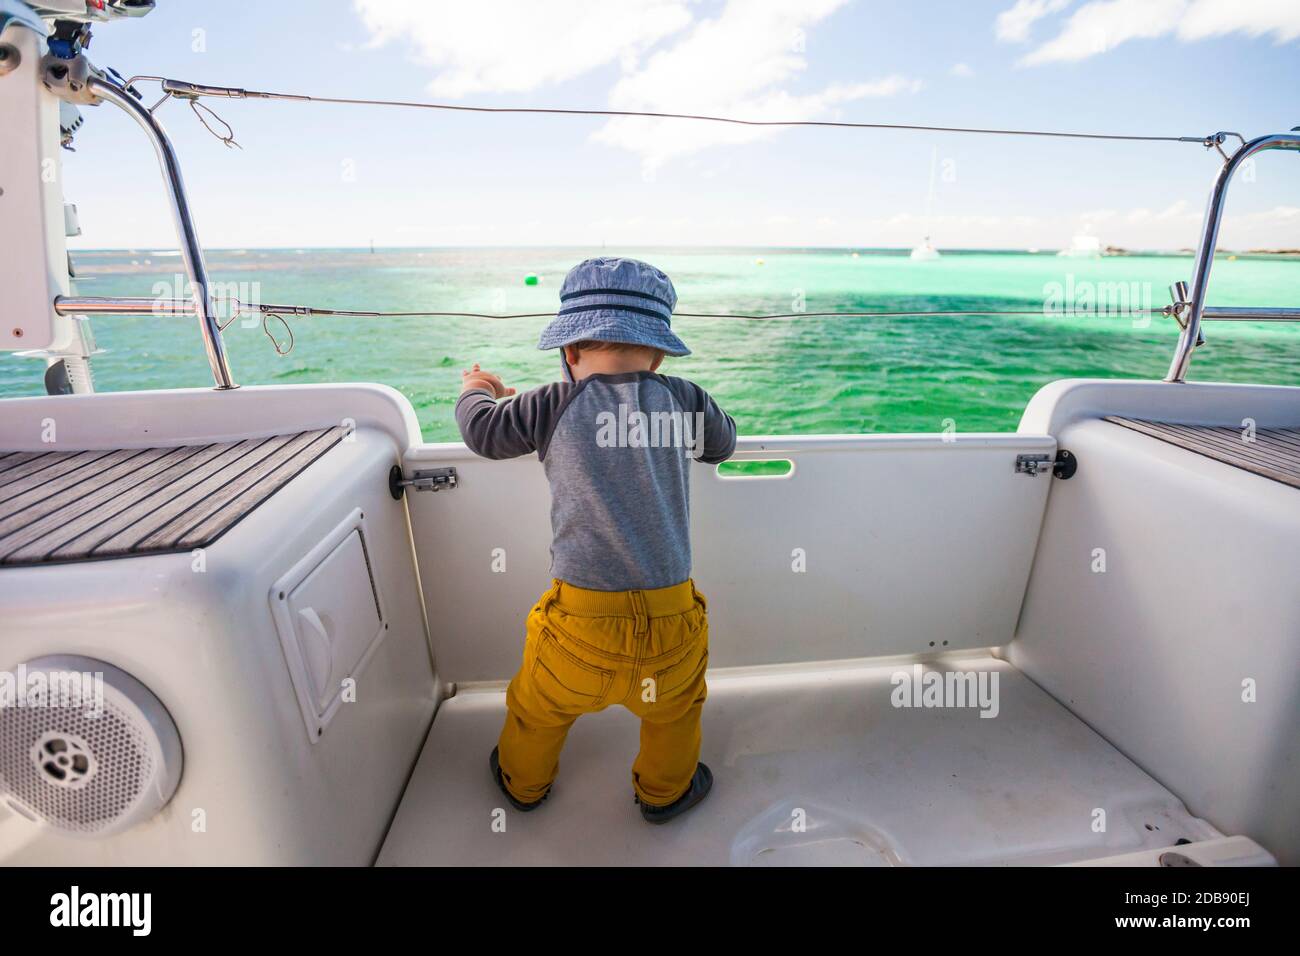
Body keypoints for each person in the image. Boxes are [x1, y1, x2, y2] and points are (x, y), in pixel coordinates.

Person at [455, 256, 736, 823]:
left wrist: (478, 388)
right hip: (672, 618)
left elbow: (482, 433)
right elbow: (723, 445)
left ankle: (523, 784)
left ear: (568, 351)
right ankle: (665, 794)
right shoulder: (684, 399)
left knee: (538, 707)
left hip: (578, 625)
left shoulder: (552, 403)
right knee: (675, 713)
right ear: (658, 352)